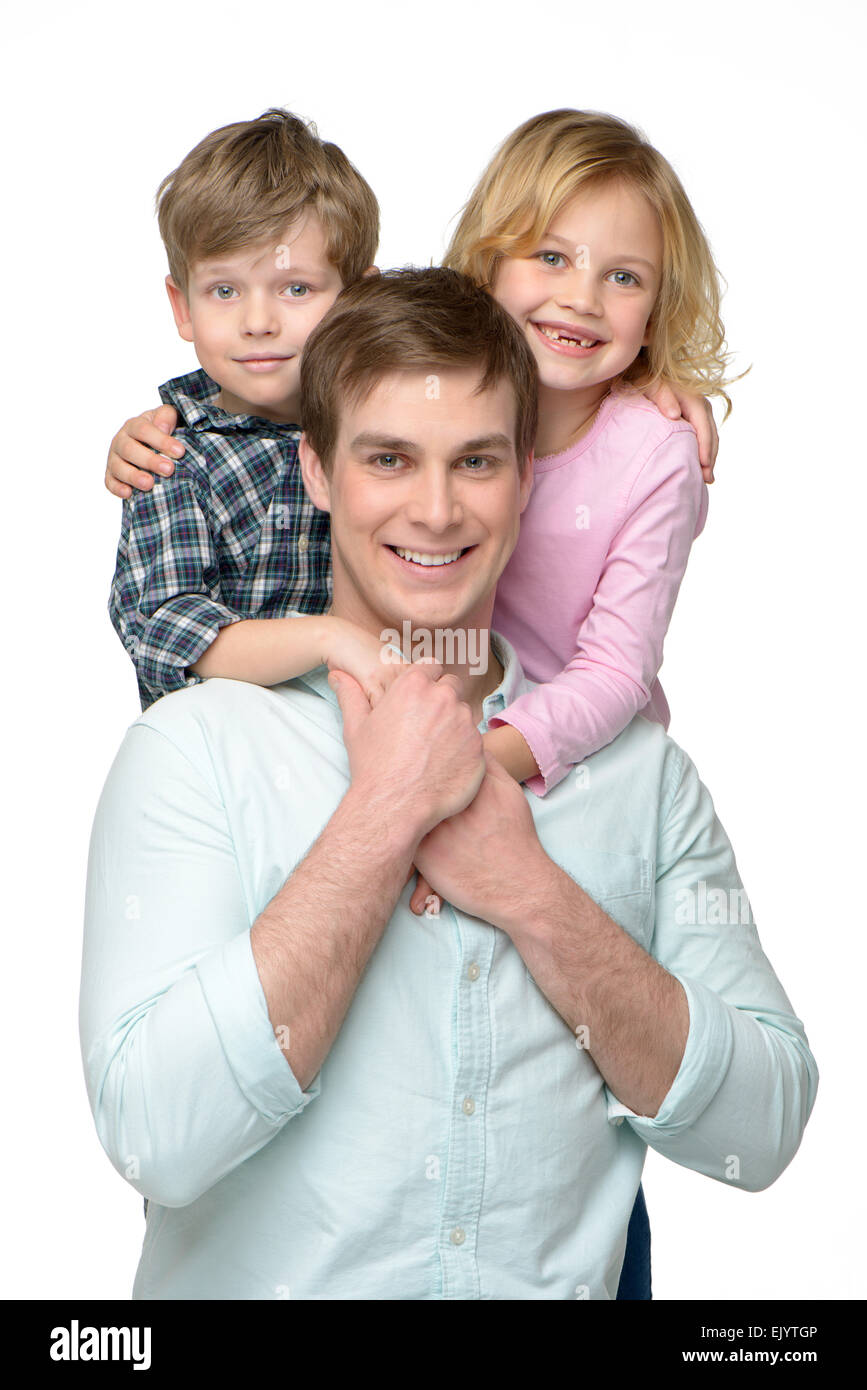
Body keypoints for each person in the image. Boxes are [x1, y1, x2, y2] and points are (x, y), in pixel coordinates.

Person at [81, 267, 818, 1300]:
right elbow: (156, 1137)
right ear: (318, 469)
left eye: (476, 460)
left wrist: (531, 891)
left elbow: (764, 1127)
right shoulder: (195, 750)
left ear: (526, 473)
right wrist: (383, 817)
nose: (435, 509)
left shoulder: (642, 778)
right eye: (389, 457)